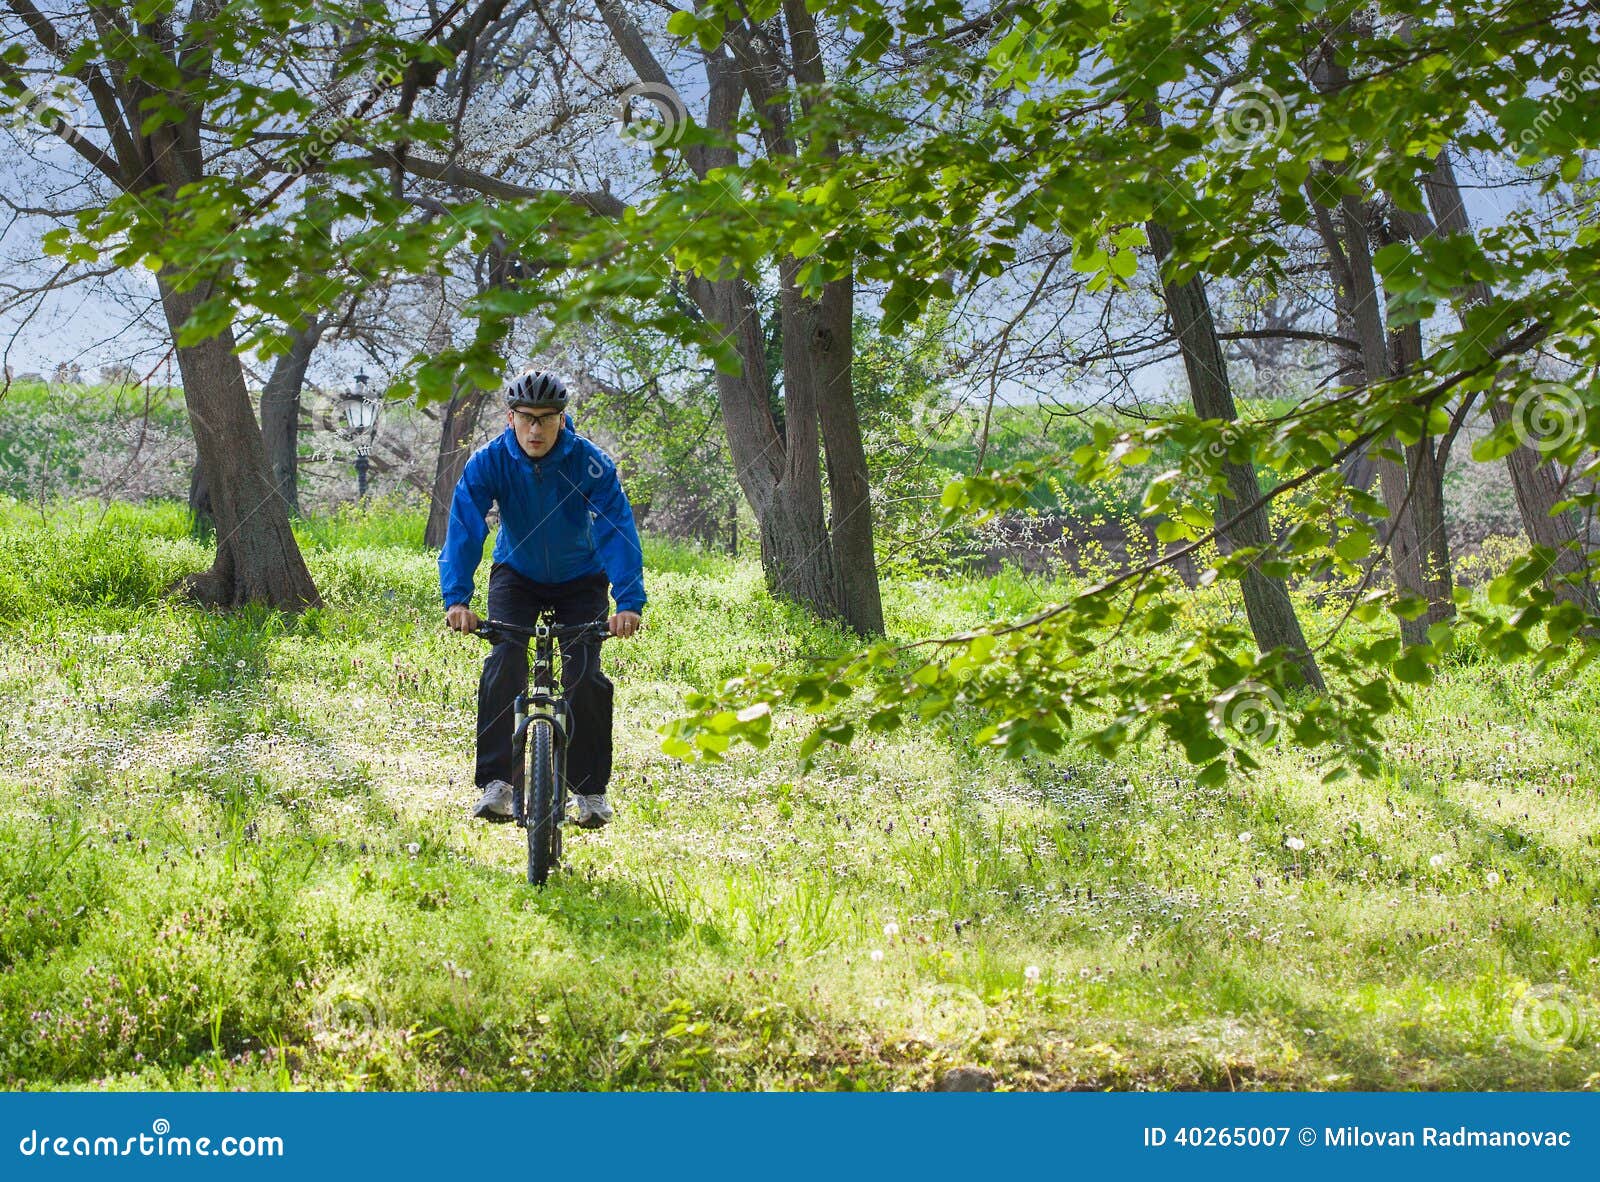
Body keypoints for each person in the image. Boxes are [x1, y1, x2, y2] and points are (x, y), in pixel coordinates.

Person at [439, 369, 645, 829]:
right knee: (504, 659)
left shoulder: (589, 463)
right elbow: (465, 528)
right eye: (527, 418)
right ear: (510, 417)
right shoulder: (489, 461)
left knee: (585, 674)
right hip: (517, 573)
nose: (536, 429)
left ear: (561, 418)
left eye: (547, 419)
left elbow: (617, 529)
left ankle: (589, 792)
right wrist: (458, 598)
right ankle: (498, 784)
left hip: (581, 578)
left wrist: (627, 602)